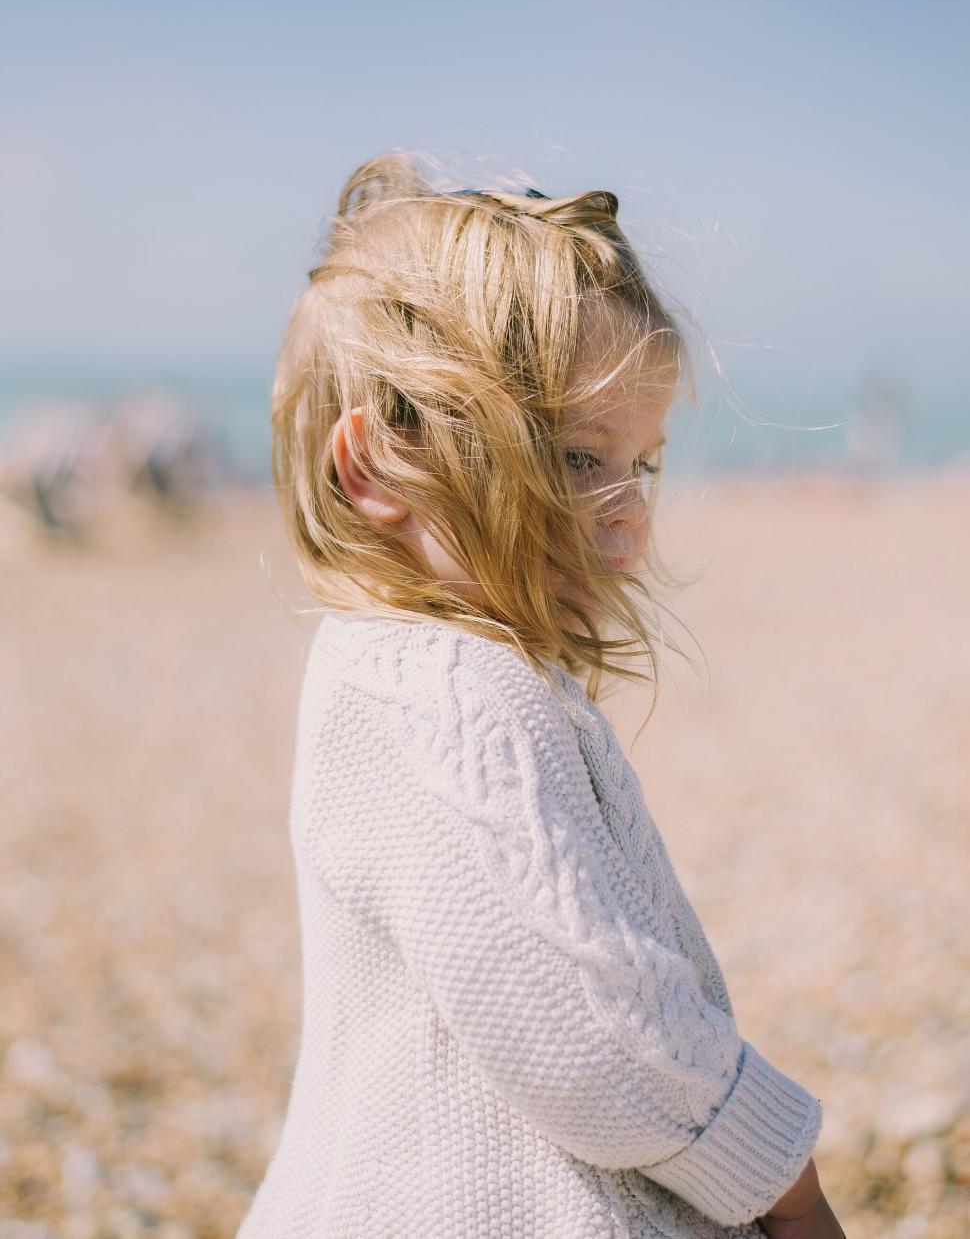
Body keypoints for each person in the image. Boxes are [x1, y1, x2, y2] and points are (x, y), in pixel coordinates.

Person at [236, 152, 847, 1239]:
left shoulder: (424, 669)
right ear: (377, 468)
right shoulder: (443, 690)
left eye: (643, 463)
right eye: (573, 457)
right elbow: (602, 1035)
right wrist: (786, 1189)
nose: (628, 512)